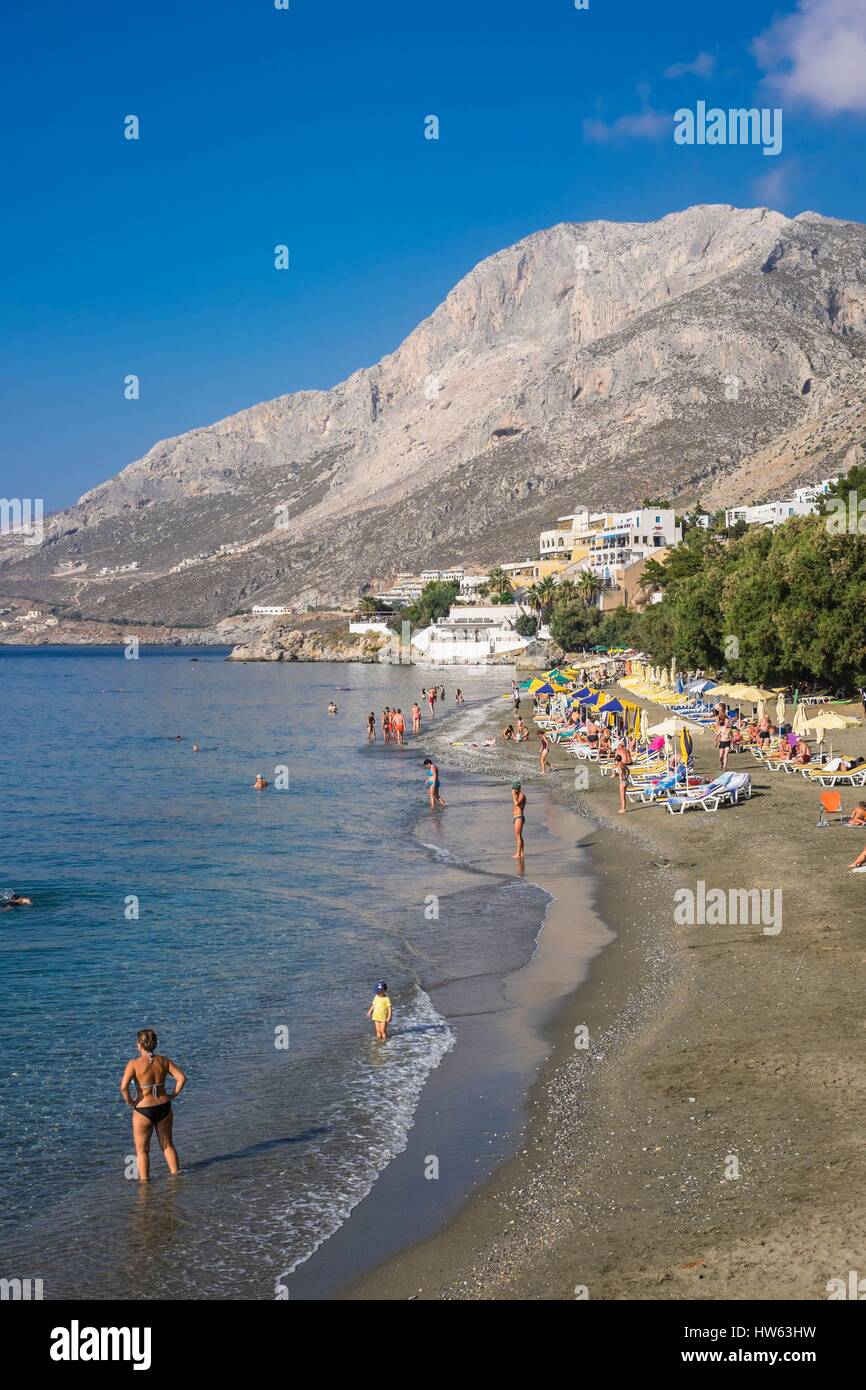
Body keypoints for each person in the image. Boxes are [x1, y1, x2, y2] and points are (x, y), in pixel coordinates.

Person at [119, 1029, 186, 1181]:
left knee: (142, 1151)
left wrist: (130, 1101)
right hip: (164, 1106)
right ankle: (177, 1178)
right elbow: (181, 1078)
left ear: (140, 1044)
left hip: (143, 1109)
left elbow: (123, 1087)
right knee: (168, 1145)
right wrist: (172, 1095)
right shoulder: (164, 1060)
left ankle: (145, 1187)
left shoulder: (134, 1064)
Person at [613, 743, 632, 813]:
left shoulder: (619, 766)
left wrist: (621, 779)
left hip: (623, 781)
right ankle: (623, 808)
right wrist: (627, 776)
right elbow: (628, 770)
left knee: (622, 796)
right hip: (626, 780)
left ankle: (623, 809)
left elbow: (620, 772)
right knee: (624, 795)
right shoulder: (623, 764)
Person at [511, 782, 526, 859]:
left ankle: (518, 853)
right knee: (518, 835)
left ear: (517, 788)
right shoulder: (517, 795)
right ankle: (522, 853)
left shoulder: (521, 795)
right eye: (513, 788)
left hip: (519, 817)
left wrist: (513, 795)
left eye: (514, 788)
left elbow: (516, 804)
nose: (513, 790)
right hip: (516, 817)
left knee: (518, 835)